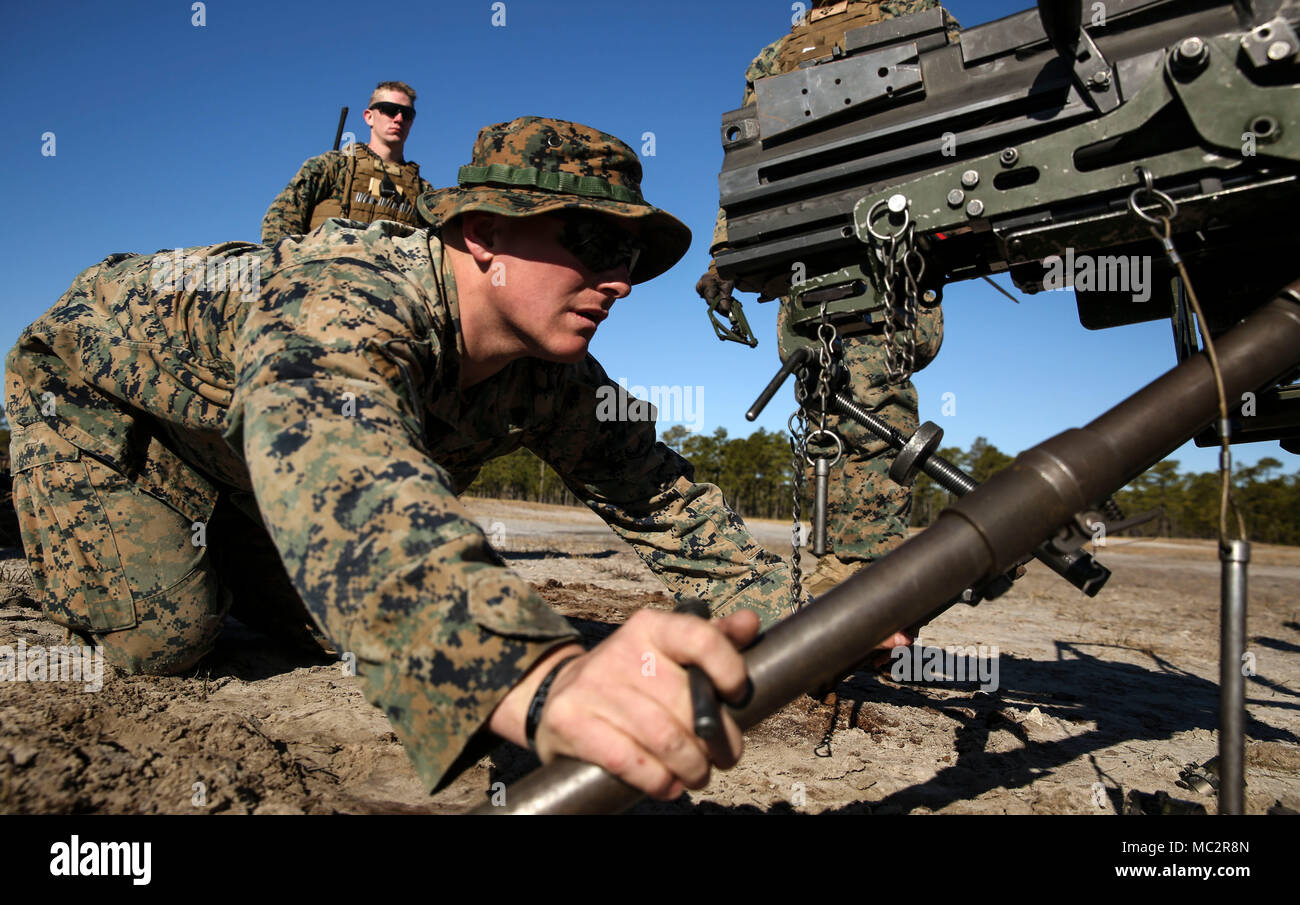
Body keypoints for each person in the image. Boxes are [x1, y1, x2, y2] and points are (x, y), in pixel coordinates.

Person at [6, 116, 793, 800]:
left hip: (242, 461)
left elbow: (659, 499)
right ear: (483, 234)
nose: (618, 282)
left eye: (630, 256)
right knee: (169, 637)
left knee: (350, 631)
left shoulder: (551, 378)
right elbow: (334, 454)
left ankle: (221, 546)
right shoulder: (353, 289)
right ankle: (104, 536)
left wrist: (813, 605)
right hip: (100, 405)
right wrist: (528, 673)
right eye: (593, 243)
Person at [698, 0, 954, 598]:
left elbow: (952, 110)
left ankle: (864, 572)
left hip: (883, 244)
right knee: (820, 409)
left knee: (871, 404)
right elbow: (749, 159)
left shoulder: (911, 12)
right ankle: (837, 566)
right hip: (802, 252)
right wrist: (725, 250)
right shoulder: (774, 55)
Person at [260, 80, 433, 245]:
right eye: (389, 109)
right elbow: (279, 220)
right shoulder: (334, 166)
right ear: (369, 116)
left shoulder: (423, 191)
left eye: (407, 114)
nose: (399, 118)